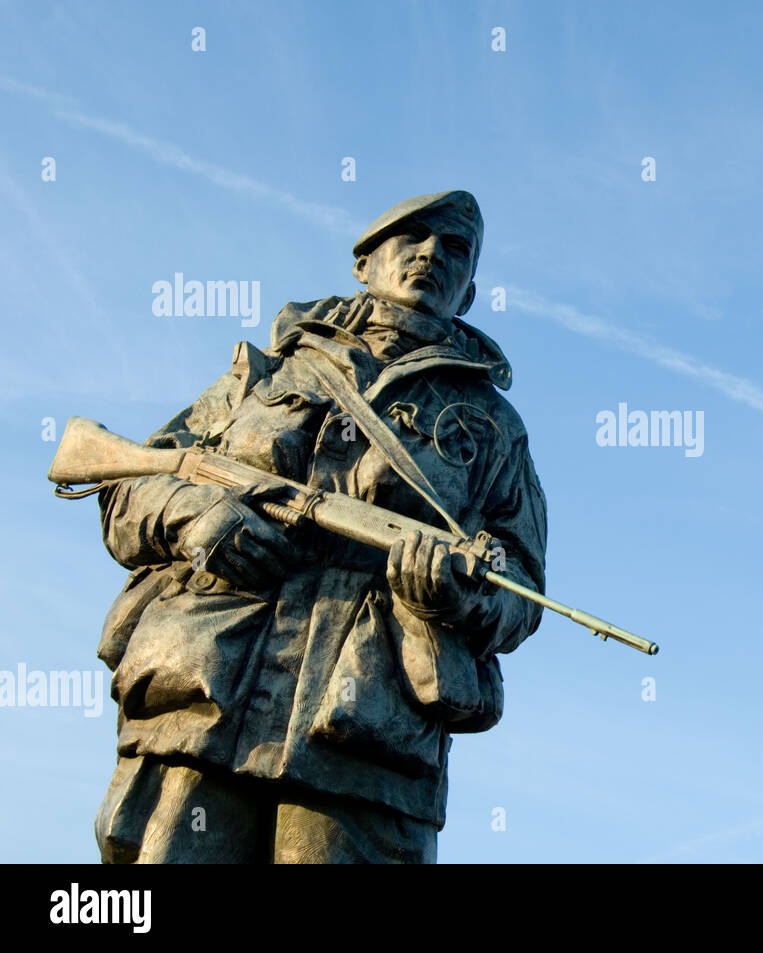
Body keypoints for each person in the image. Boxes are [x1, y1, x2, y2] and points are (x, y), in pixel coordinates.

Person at [92, 191, 547, 863]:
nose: (430, 254)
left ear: (470, 291)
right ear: (365, 261)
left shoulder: (493, 428)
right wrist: (197, 514)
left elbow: (523, 587)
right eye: (412, 237)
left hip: (362, 749)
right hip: (200, 705)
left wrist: (460, 594)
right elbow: (126, 487)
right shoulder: (266, 371)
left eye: (454, 249)